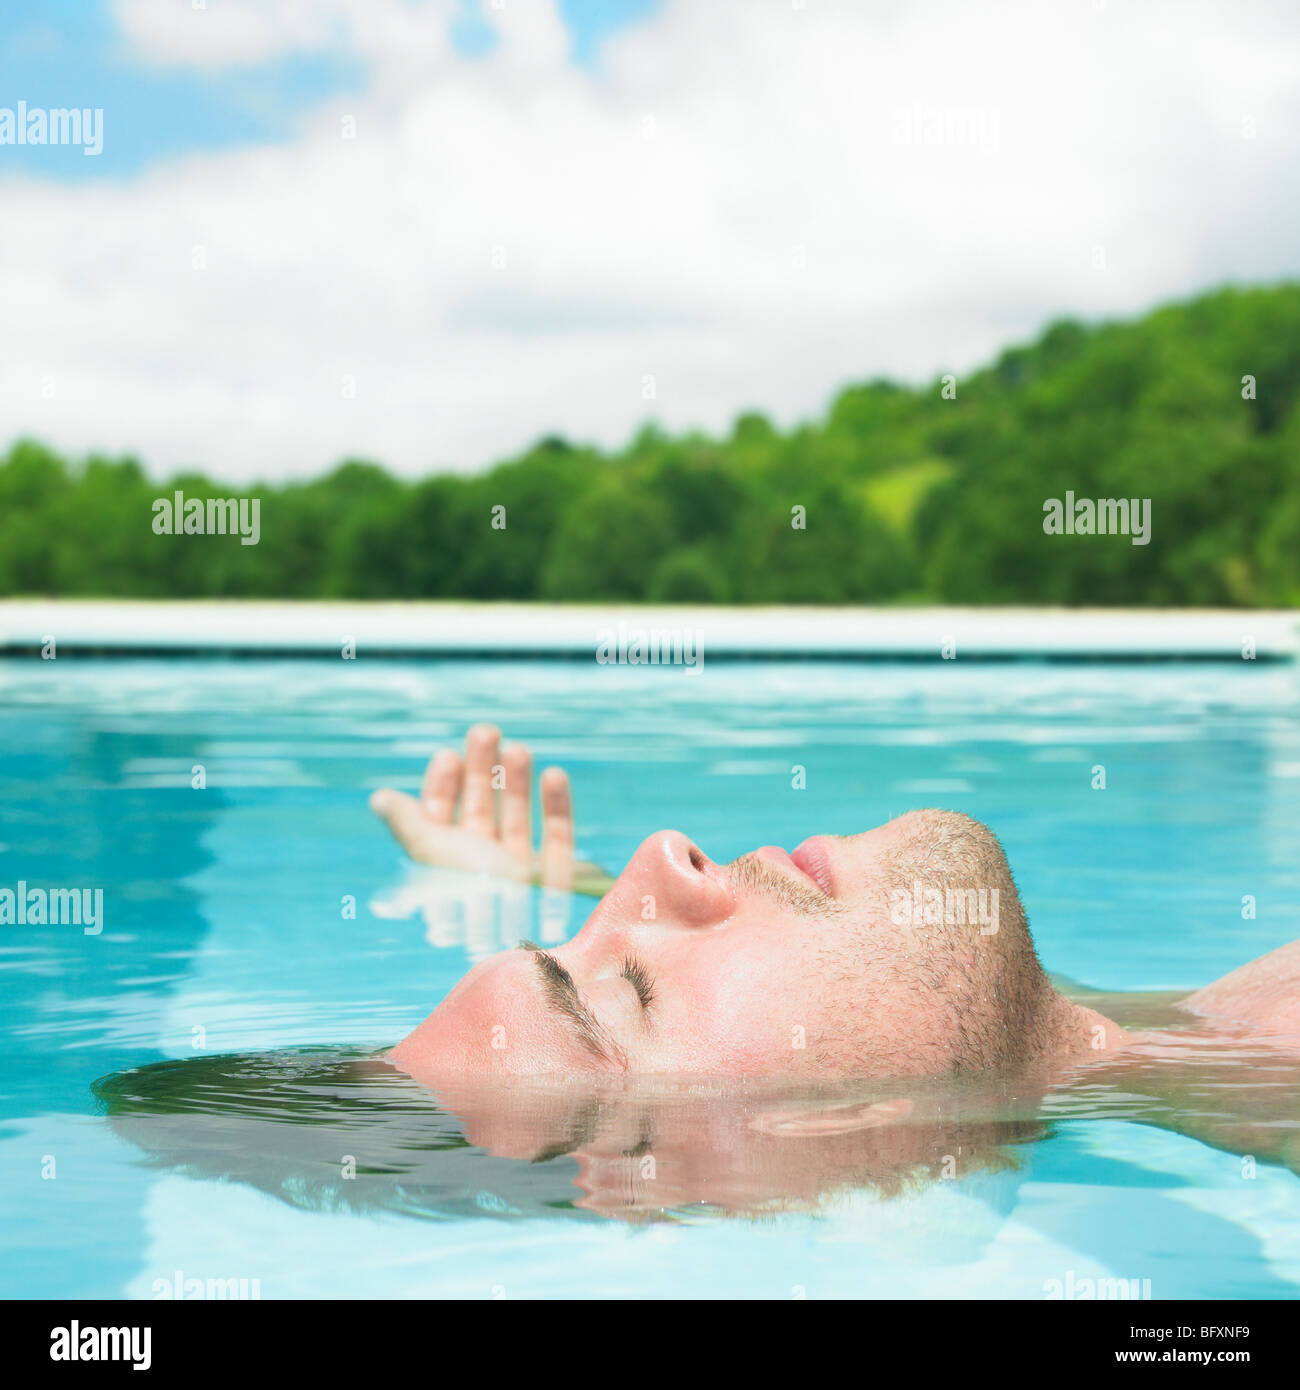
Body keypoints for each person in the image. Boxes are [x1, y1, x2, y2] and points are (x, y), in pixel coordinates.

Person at [369, 725, 1300, 1086]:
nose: (662, 854)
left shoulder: (1183, 1031)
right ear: (820, 1134)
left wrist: (526, 882)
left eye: (575, 933)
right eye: (632, 993)